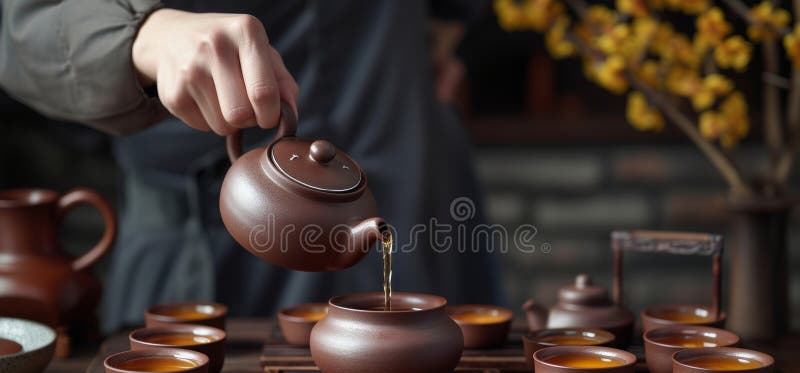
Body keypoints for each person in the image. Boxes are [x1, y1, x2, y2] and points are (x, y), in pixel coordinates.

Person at [0, 1, 504, 332]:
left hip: (402, 149)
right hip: (208, 219)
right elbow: (24, 23)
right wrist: (147, 33)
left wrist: (442, 29)